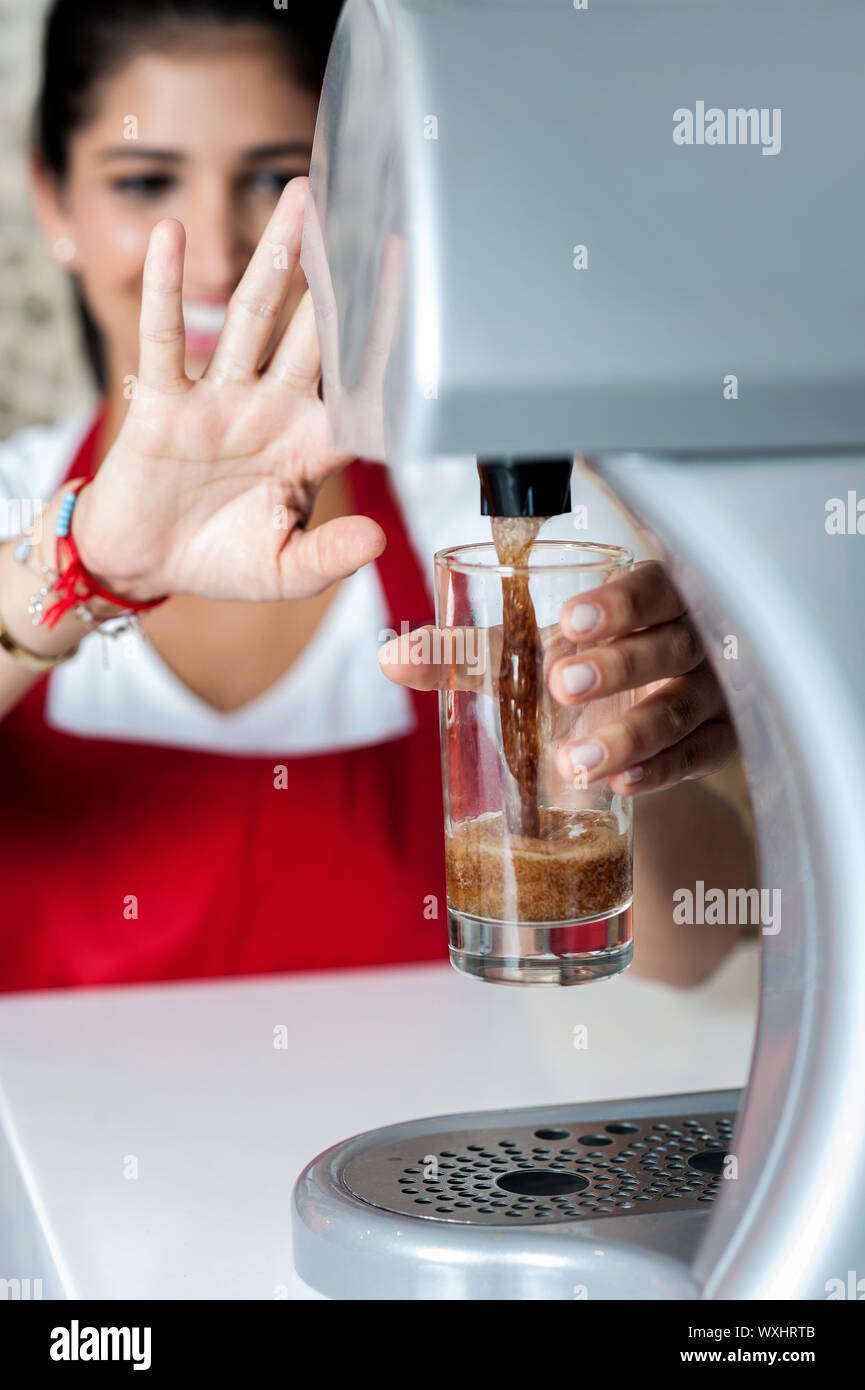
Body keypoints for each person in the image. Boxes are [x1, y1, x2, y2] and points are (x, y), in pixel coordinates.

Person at [0, 0, 754, 993]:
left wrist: (612, 755)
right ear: (52, 201)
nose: (224, 255)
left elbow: (686, 952)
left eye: (279, 179)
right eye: (146, 181)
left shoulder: (485, 523)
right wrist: (87, 563)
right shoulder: (17, 495)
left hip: (404, 1149)